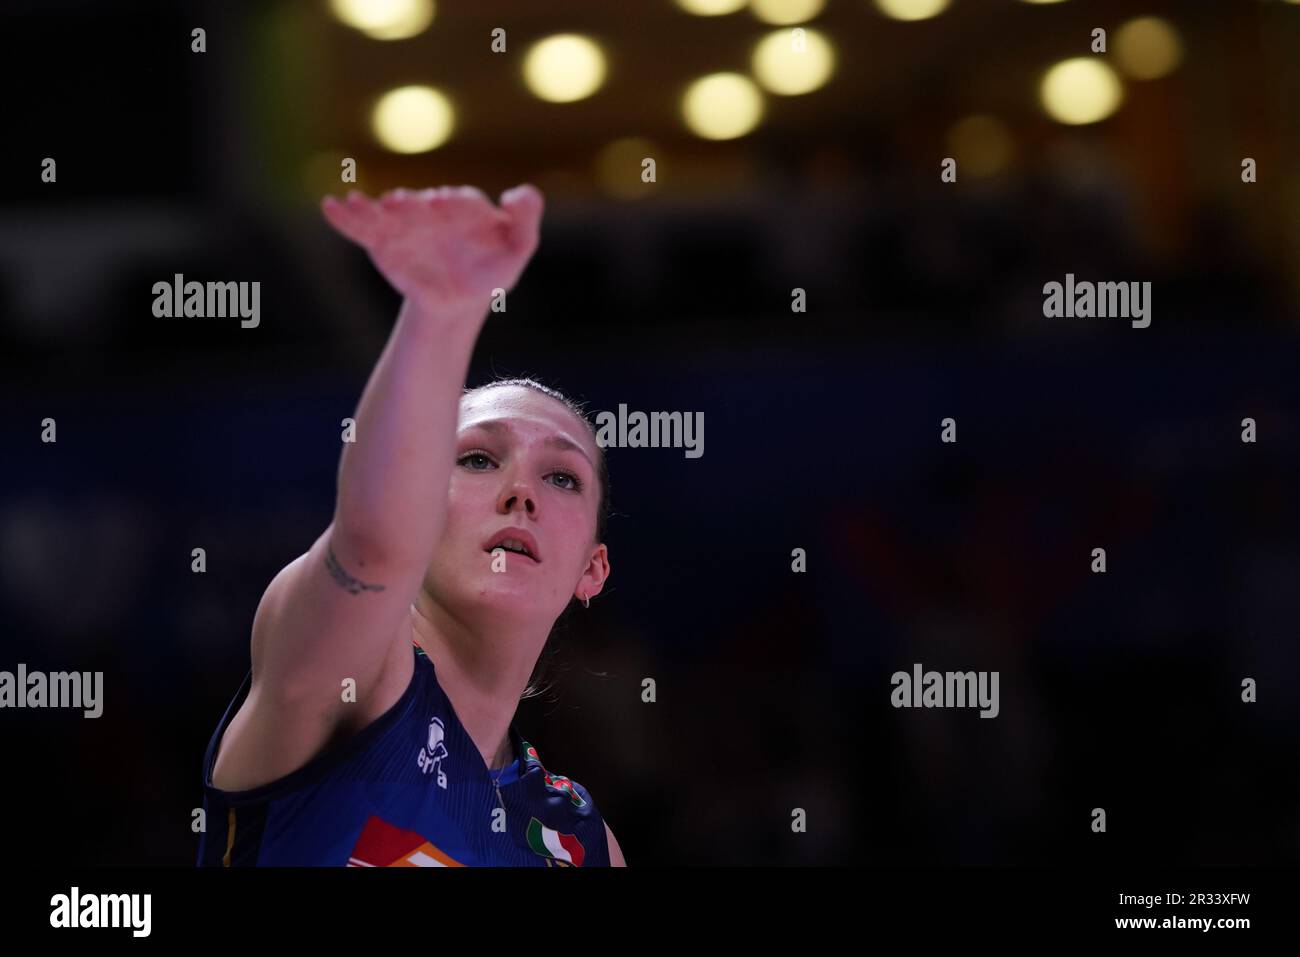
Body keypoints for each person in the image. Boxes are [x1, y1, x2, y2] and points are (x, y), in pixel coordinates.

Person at [196, 184, 624, 866]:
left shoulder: (580, 839)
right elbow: (371, 545)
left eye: (562, 476)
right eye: (479, 458)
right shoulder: (355, 678)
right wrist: (440, 314)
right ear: (419, 503)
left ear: (591, 570)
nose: (522, 491)